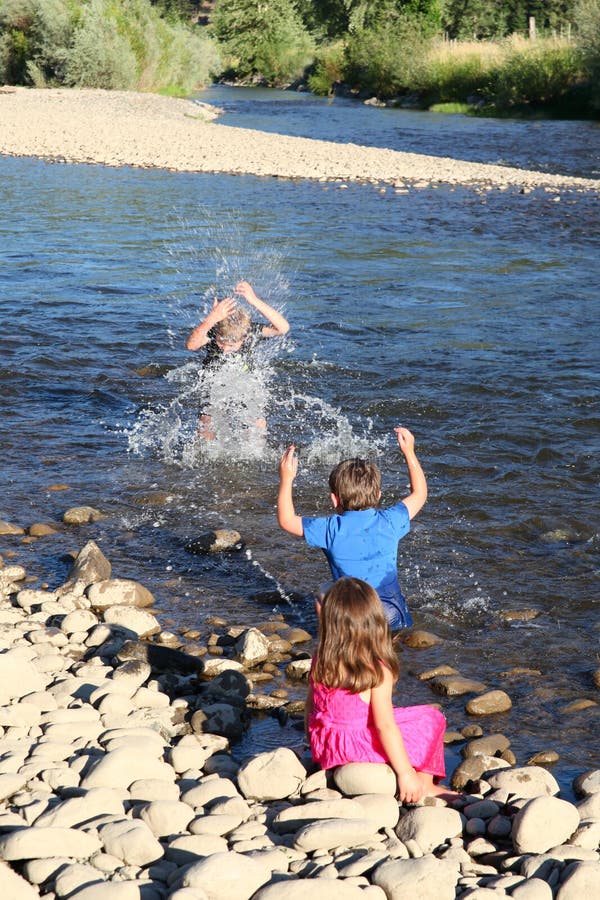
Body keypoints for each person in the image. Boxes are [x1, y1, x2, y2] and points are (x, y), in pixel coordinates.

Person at [306, 577, 451, 803]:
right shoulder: (376, 669)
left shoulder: (322, 657)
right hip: (355, 748)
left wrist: (314, 747)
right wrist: (404, 773)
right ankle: (424, 783)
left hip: (327, 744)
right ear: (375, 622)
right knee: (431, 719)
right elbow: (384, 726)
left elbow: (310, 707)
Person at [277, 427, 427, 630]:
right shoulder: (390, 521)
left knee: (324, 593)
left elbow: (286, 520)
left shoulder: (330, 528)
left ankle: (332, 643)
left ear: (334, 499)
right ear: (379, 495)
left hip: (355, 624)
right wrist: (409, 452)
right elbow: (420, 494)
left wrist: (286, 479)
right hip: (391, 619)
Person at [186, 280, 290, 439]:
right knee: (206, 420)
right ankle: (204, 456)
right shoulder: (213, 331)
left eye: (232, 345)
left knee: (258, 421)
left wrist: (253, 299)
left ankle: (255, 453)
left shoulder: (250, 332)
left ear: (245, 337)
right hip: (214, 382)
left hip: (245, 381)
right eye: (221, 343)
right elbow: (191, 345)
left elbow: (283, 328)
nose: (226, 349)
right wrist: (212, 318)